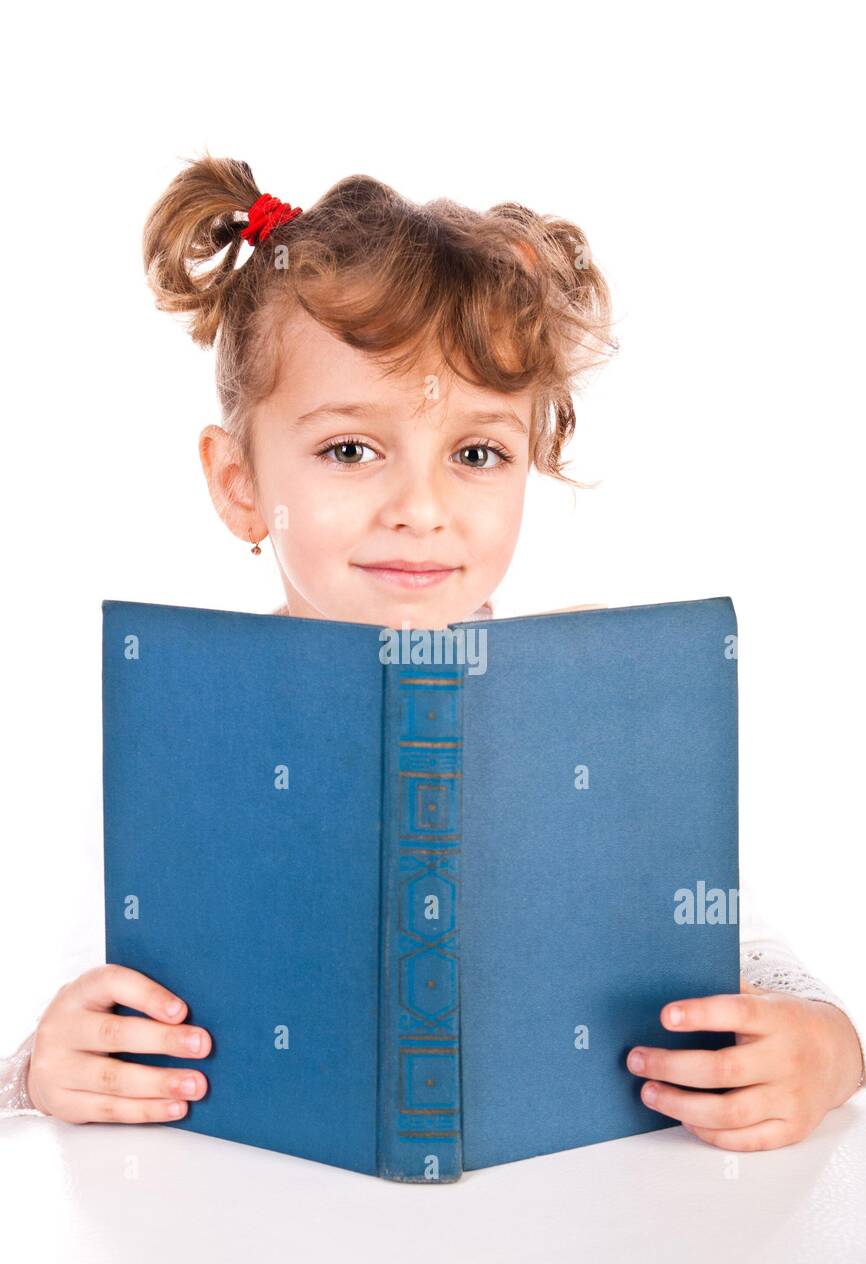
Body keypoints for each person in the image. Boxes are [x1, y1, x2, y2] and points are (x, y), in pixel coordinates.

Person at [2, 155, 863, 1150]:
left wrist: (829, 1049)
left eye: (475, 453)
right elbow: (63, 1027)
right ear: (239, 482)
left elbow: (749, 957)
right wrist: (37, 1070)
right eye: (350, 450)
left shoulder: (597, 701)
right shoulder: (158, 725)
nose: (420, 509)